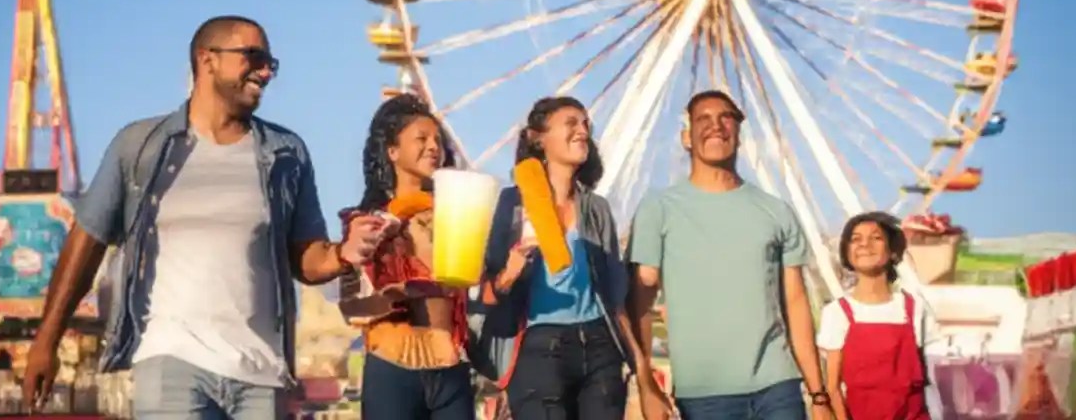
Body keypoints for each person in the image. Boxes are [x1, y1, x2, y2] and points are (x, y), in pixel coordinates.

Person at [22, 15, 385, 420]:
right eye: (254, 57)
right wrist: (45, 341)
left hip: (261, 375)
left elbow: (307, 260)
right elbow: (86, 241)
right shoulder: (140, 146)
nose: (266, 71)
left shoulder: (287, 154)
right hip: (171, 361)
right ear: (207, 59)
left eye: (271, 63)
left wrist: (344, 253)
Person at [627, 90, 831, 420]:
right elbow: (640, 299)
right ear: (686, 138)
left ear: (738, 133)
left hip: (778, 384)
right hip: (705, 393)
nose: (716, 125)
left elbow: (795, 302)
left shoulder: (776, 212)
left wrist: (819, 394)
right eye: (703, 119)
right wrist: (646, 382)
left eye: (726, 118)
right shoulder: (659, 209)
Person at [478, 96, 672, 420]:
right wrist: (509, 275)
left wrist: (642, 370)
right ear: (537, 138)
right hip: (539, 347)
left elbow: (615, 301)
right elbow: (484, 292)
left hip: (600, 347)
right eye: (571, 123)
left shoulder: (596, 209)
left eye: (586, 125)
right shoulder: (511, 205)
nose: (582, 131)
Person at [336, 94, 475, 419]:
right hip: (393, 367)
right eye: (421, 139)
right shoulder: (367, 223)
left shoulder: (461, 219)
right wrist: (397, 295)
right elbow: (351, 307)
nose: (433, 147)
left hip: (449, 368)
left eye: (438, 140)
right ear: (392, 151)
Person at [818, 212, 933, 420]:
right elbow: (833, 387)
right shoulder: (837, 313)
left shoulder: (915, 309)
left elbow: (929, 379)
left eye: (876, 238)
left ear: (893, 252)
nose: (864, 244)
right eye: (856, 239)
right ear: (847, 253)